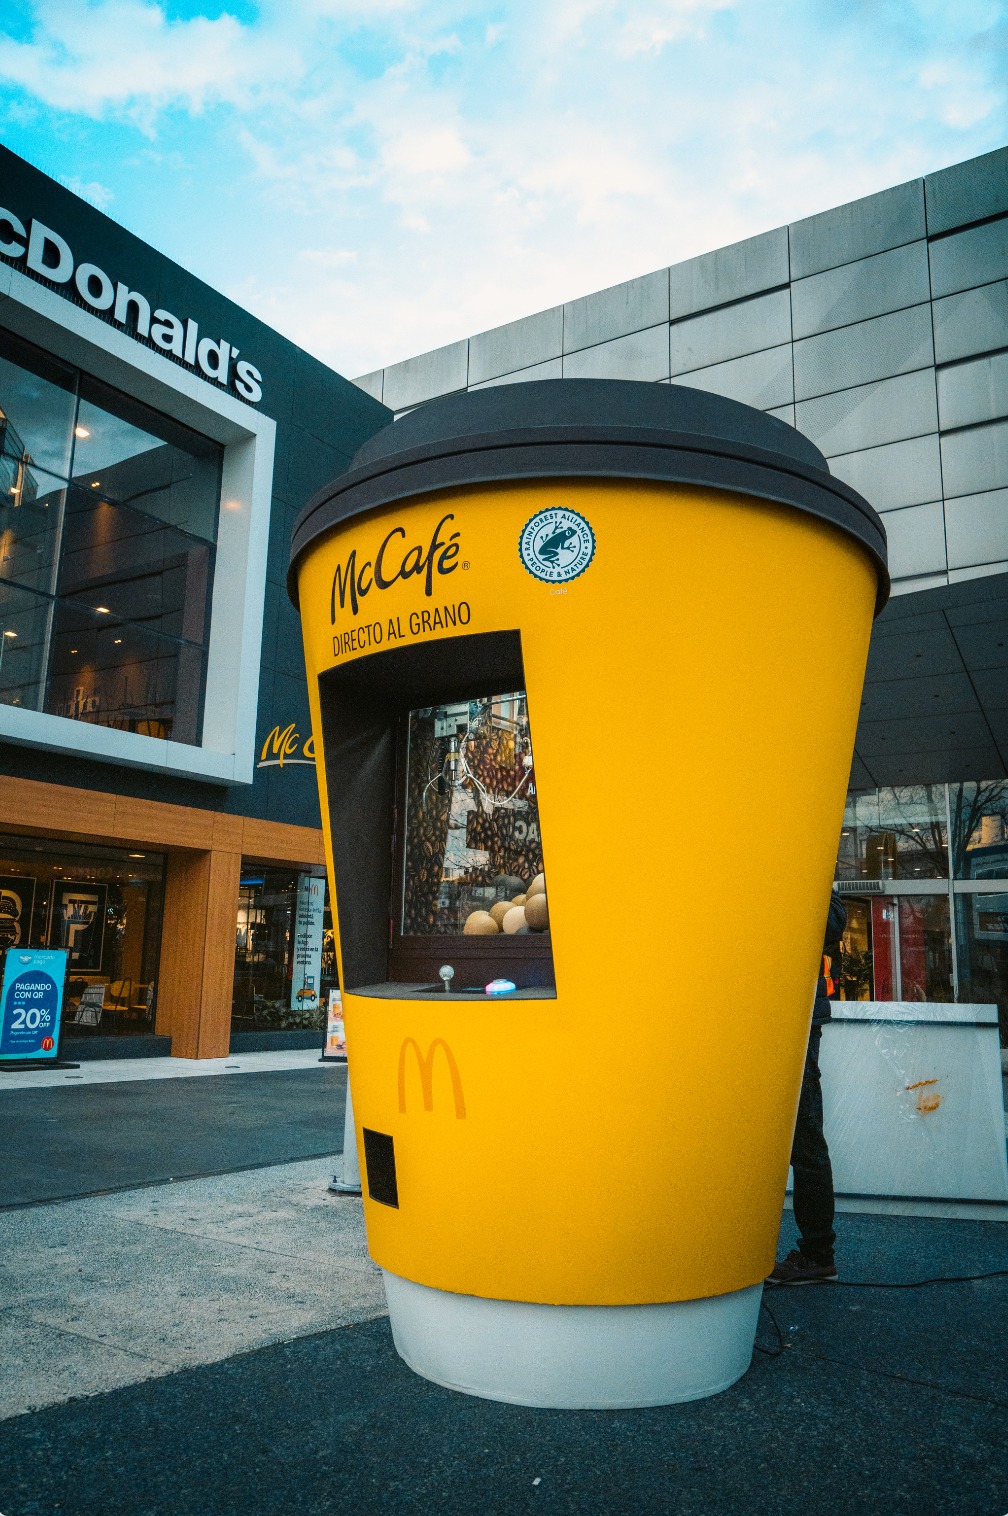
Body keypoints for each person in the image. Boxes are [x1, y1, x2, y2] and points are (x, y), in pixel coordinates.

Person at [767, 889, 846, 1285]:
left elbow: (832, 923)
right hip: (762, 1011)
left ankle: (817, 1253)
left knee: (805, 1136)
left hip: (795, 1017)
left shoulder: (804, 870)